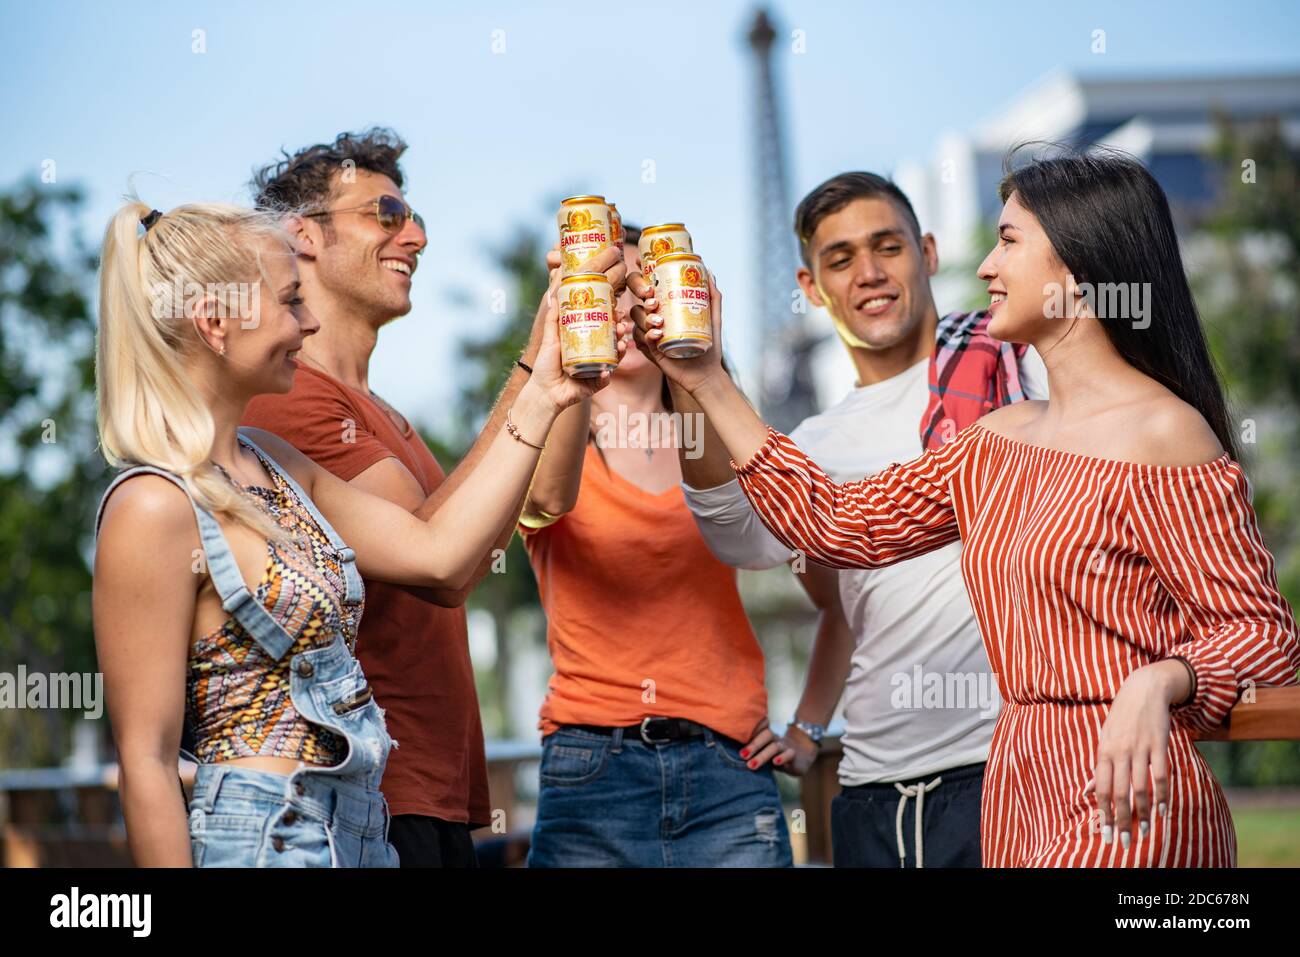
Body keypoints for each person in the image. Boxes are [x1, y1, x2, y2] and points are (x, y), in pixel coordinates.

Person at [631, 148, 1300, 867]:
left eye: (1009, 241)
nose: (984, 266)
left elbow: (1263, 635)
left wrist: (1162, 679)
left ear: (1080, 265)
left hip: (1127, 804)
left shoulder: (1164, 433)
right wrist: (705, 375)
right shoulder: (996, 438)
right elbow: (834, 522)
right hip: (1016, 802)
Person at [92, 199, 622, 867]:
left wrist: (545, 388)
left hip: (359, 836)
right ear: (214, 321)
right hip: (263, 845)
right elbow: (146, 762)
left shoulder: (275, 463)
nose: (308, 321)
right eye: (290, 302)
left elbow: (442, 555)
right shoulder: (153, 506)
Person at [241, 129, 626, 866]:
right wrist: (533, 366)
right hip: (369, 796)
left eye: (415, 217)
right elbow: (440, 553)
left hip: (429, 793)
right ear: (304, 237)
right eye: (384, 213)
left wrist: (574, 353)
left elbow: (541, 494)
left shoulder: (381, 409)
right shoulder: (288, 404)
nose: (414, 234)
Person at [675, 172, 1048, 867]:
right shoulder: (813, 444)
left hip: (1013, 766)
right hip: (875, 788)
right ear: (811, 286)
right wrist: (688, 374)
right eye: (840, 259)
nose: (870, 274)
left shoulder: (1022, 366)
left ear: (928, 252)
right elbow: (737, 537)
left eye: (888, 247)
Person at [518, 224, 792, 867]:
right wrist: (573, 367)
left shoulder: (724, 435)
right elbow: (544, 501)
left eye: (647, 288)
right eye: (611, 287)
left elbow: (820, 568)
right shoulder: (544, 436)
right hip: (591, 767)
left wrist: (807, 726)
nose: (630, 305)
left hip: (729, 765)